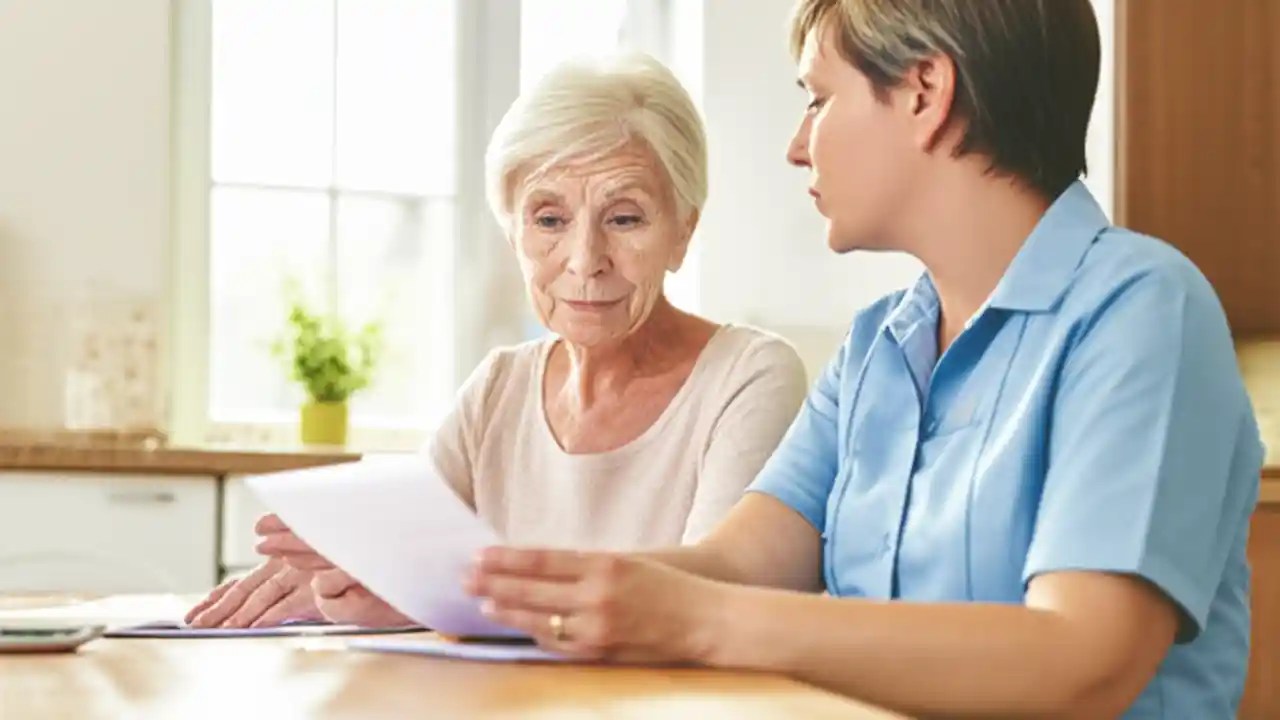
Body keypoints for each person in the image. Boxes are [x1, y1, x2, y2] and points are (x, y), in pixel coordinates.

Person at [463, 1, 1263, 717]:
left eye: (818, 97)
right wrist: (493, 598)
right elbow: (735, 564)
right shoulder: (879, 344)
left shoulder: (1143, 308)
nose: (797, 146)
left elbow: (1084, 661)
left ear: (925, 92)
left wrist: (699, 622)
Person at [185, 54, 808, 630]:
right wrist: (362, 574)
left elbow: (707, 604)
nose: (585, 260)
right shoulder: (498, 387)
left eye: (624, 218)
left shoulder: (750, 375)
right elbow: (410, 570)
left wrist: (443, 595)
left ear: (683, 232)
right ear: (513, 233)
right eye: (548, 219)